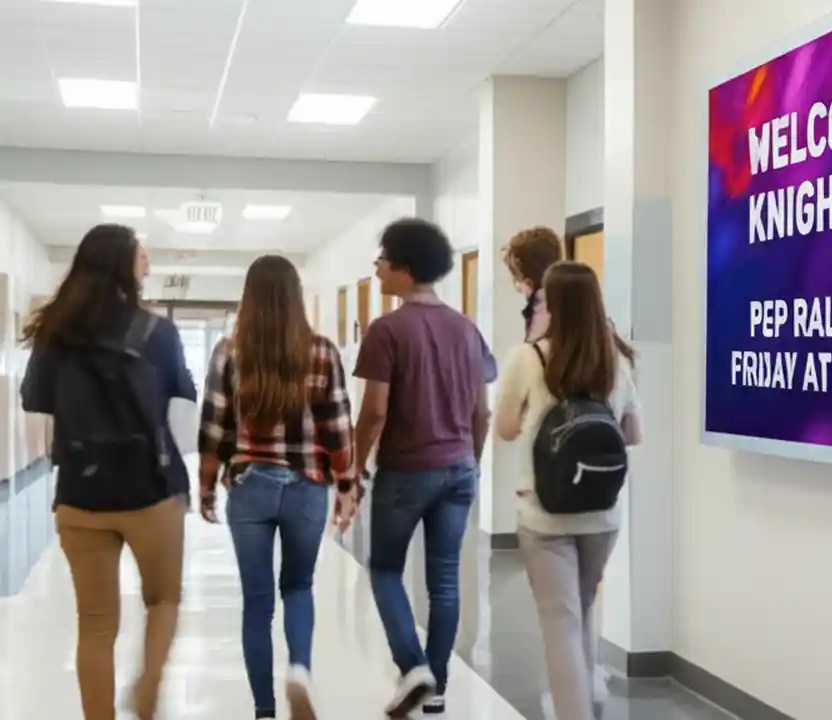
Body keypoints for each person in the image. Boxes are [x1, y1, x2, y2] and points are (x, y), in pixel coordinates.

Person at [20, 224, 196, 720]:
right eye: (142, 253)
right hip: (151, 490)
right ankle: (148, 689)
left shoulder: (56, 332)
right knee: (163, 601)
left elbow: (36, 400)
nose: (148, 261)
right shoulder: (155, 331)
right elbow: (183, 398)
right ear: (124, 263)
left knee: (95, 626)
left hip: (79, 492)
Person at [197, 255, 359, 720]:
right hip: (307, 486)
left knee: (257, 601)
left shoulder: (229, 351)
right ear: (295, 297)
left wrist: (206, 488)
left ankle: (265, 709)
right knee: (299, 587)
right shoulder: (323, 350)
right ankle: (300, 672)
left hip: (249, 486)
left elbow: (214, 430)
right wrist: (347, 486)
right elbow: (338, 429)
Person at [354, 219, 491, 717]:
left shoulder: (387, 330)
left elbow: (374, 411)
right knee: (445, 581)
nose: (377, 267)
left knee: (386, 568)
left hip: (406, 470)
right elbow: (483, 412)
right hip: (458, 467)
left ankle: (413, 668)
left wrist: (353, 462)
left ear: (405, 269)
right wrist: (471, 464)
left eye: (382, 259)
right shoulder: (467, 329)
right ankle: (436, 688)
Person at [495, 261, 642, 720]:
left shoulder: (530, 358)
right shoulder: (615, 360)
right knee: (580, 607)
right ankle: (587, 689)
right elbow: (633, 433)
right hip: (601, 513)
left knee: (560, 621)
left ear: (554, 305)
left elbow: (504, 428)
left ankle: (573, 709)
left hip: (544, 513)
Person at [503, 226, 564, 341]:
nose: (519, 289)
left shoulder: (542, 318)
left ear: (528, 282)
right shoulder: (581, 304)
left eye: (518, 280)